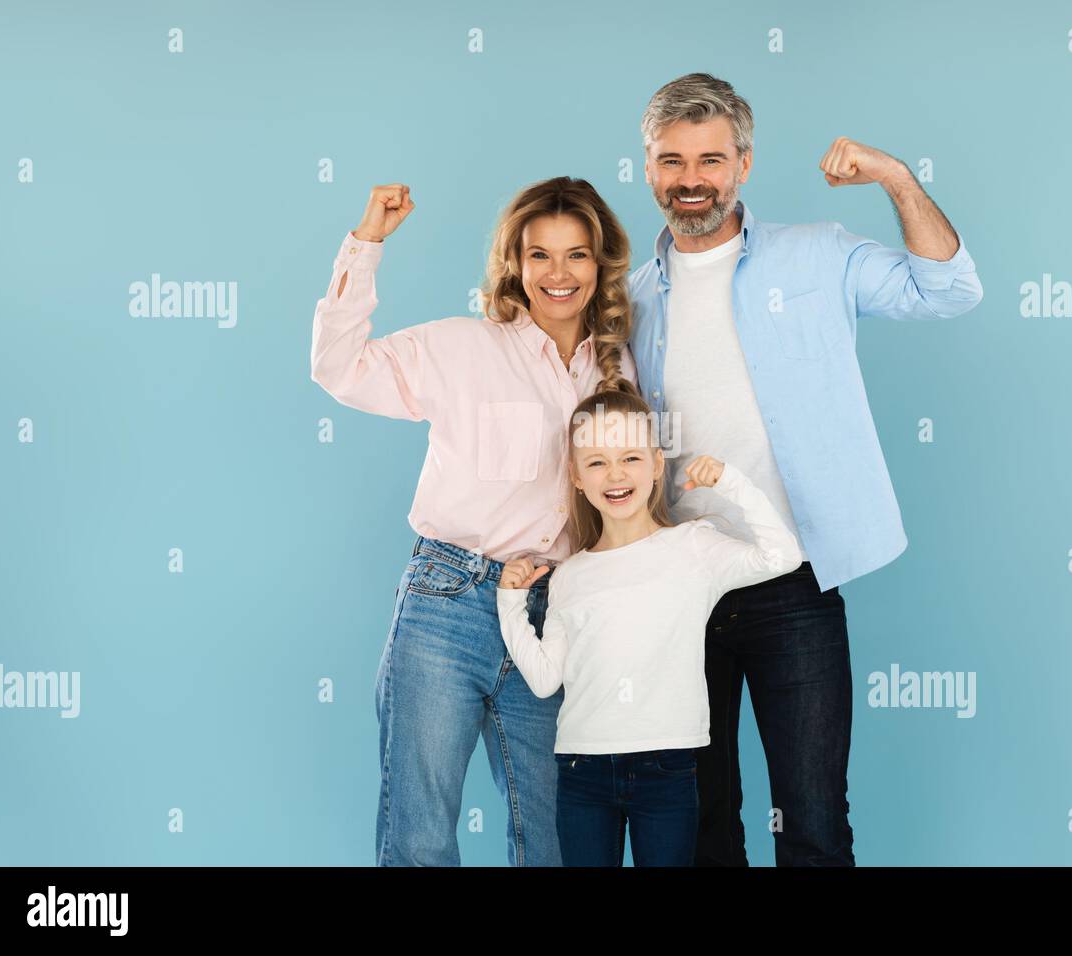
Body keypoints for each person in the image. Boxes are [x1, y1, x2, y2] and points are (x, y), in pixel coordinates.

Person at [627, 73, 985, 866]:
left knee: (814, 823)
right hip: (680, 589)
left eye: (711, 159)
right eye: (671, 160)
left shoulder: (817, 254)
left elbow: (950, 290)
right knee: (697, 825)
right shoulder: (631, 296)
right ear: (648, 168)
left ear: (744, 165)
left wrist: (894, 175)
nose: (692, 180)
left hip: (794, 581)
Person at [309, 176, 638, 866]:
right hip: (446, 605)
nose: (558, 274)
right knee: (420, 834)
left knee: (557, 840)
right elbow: (337, 368)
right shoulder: (461, 347)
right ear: (514, 263)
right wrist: (367, 242)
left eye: (577, 255)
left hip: (556, 616)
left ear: (600, 264)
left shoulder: (617, 371)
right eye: (539, 255)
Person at [495, 388, 801, 865]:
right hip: (581, 770)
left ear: (657, 464)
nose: (615, 475)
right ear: (576, 477)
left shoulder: (694, 547)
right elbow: (542, 679)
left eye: (630, 458)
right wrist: (510, 602)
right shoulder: (570, 575)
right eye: (596, 463)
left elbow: (782, 555)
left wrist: (731, 482)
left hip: (668, 768)